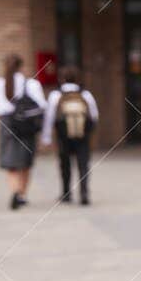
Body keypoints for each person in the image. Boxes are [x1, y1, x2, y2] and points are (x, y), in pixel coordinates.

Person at [0, 54, 46, 210]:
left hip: (7, 125)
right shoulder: (31, 84)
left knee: (11, 164)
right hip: (27, 125)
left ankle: (15, 192)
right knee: (26, 162)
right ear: (21, 66)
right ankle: (22, 194)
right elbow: (41, 105)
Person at [40, 66, 99, 206]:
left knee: (65, 163)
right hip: (82, 134)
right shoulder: (85, 94)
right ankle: (84, 193)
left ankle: (66, 193)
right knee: (83, 164)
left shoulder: (55, 95)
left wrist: (46, 137)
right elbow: (94, 115)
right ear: (77, 78)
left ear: (61, 78)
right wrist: (90, 130)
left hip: (63, 135)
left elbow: (49, 117)